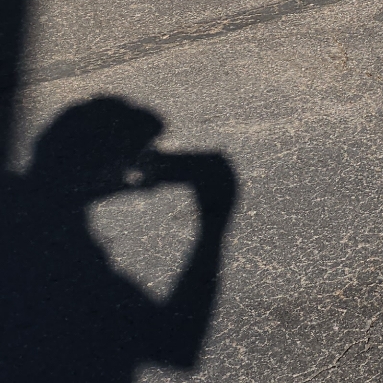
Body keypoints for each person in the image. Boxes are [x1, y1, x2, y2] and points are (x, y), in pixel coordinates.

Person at [0, 96, 237, 383]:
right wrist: (214, 223)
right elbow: (176, 345)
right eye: (137, 157)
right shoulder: (62, 257)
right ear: (95, 170)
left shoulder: (21, 206)